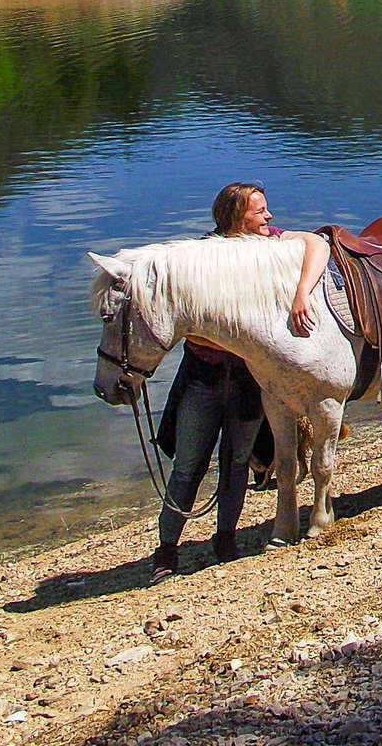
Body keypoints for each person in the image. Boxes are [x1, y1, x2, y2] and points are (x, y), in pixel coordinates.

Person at [148, 182, 328, 584]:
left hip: (249, 377)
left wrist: (302, 292)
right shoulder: (204, 257)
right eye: (260, 211)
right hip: (204, 378)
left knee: (236, 463)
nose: (269, 217)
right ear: (236, 216)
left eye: (266, 210)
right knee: (189, 465)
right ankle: (167, 550)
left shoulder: (273, 244)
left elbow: (318, 244)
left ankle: (225, 539)